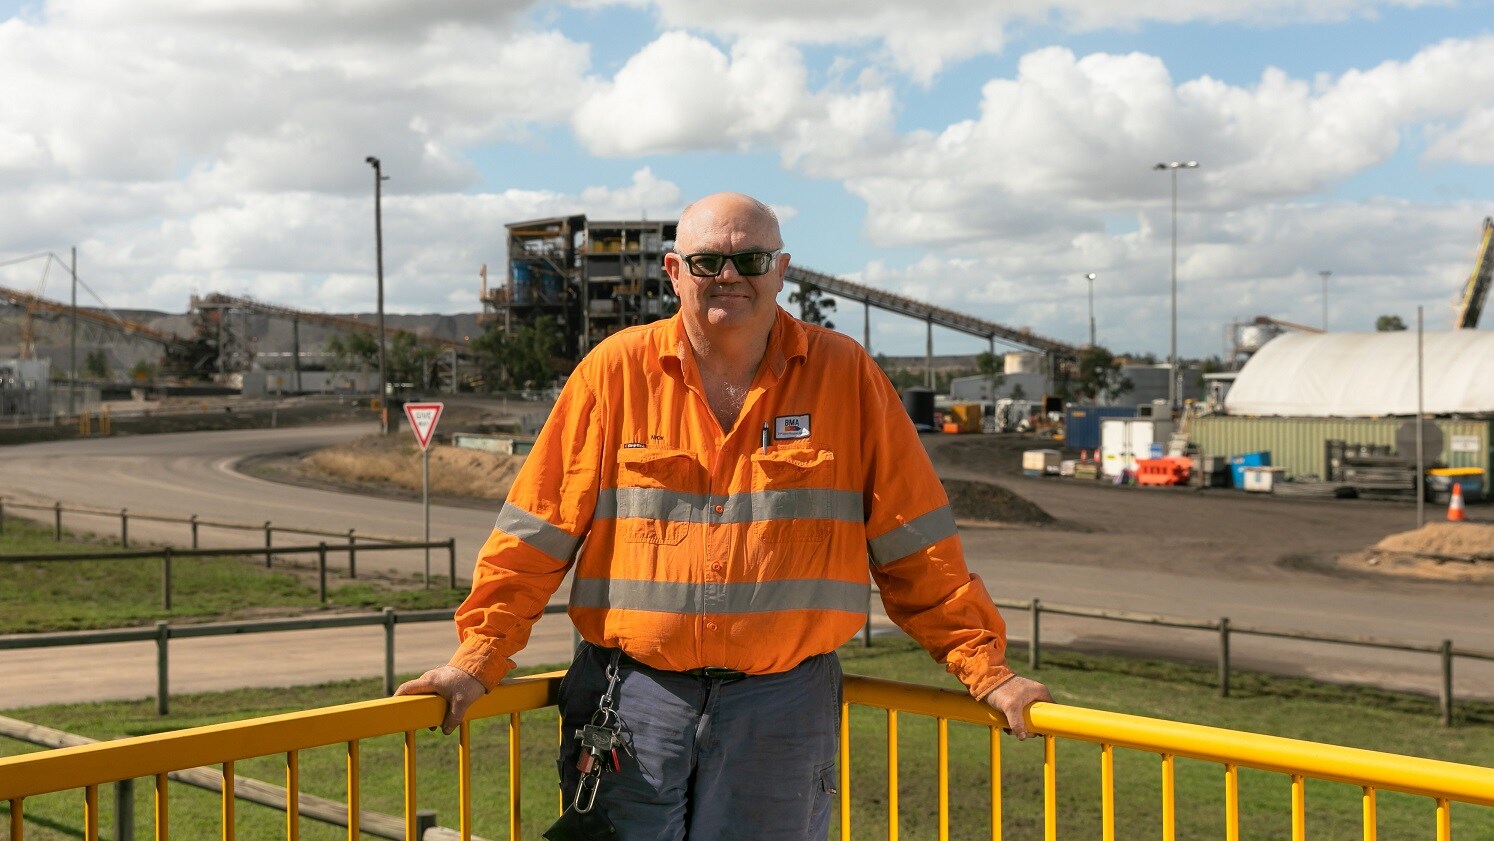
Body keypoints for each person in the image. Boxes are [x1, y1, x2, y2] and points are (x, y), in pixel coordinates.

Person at [396, 192, 1051, 839]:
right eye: (709, 261)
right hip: (632, 700)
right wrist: (476, 659)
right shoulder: (614, 374)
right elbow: (534, 535)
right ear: (675, 272)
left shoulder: (845, 376)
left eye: (750, 258)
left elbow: (916, 546)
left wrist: (987, 669)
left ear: (782, 270)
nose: (730, 275)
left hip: (782, 706)